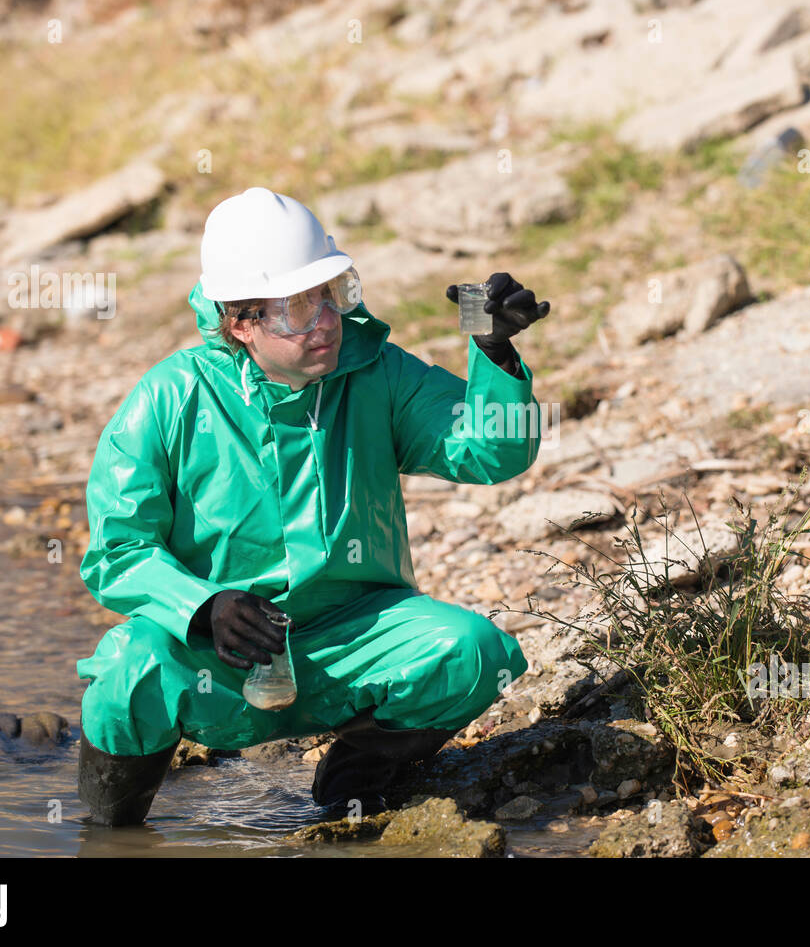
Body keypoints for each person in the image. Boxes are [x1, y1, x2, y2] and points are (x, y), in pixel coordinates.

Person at [75, 187, 550, 826]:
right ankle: (109, 830)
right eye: (297, 308)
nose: (325, 320)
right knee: (126, 675)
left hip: (358, 638)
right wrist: (201, 607)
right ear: (239, 320)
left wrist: (494, 355)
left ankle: (354, 778)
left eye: (332, 293)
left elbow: (490, 453)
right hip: (221, 658)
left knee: (473, 653)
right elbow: (117, 551)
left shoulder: (378, 371)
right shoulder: (167, 399)